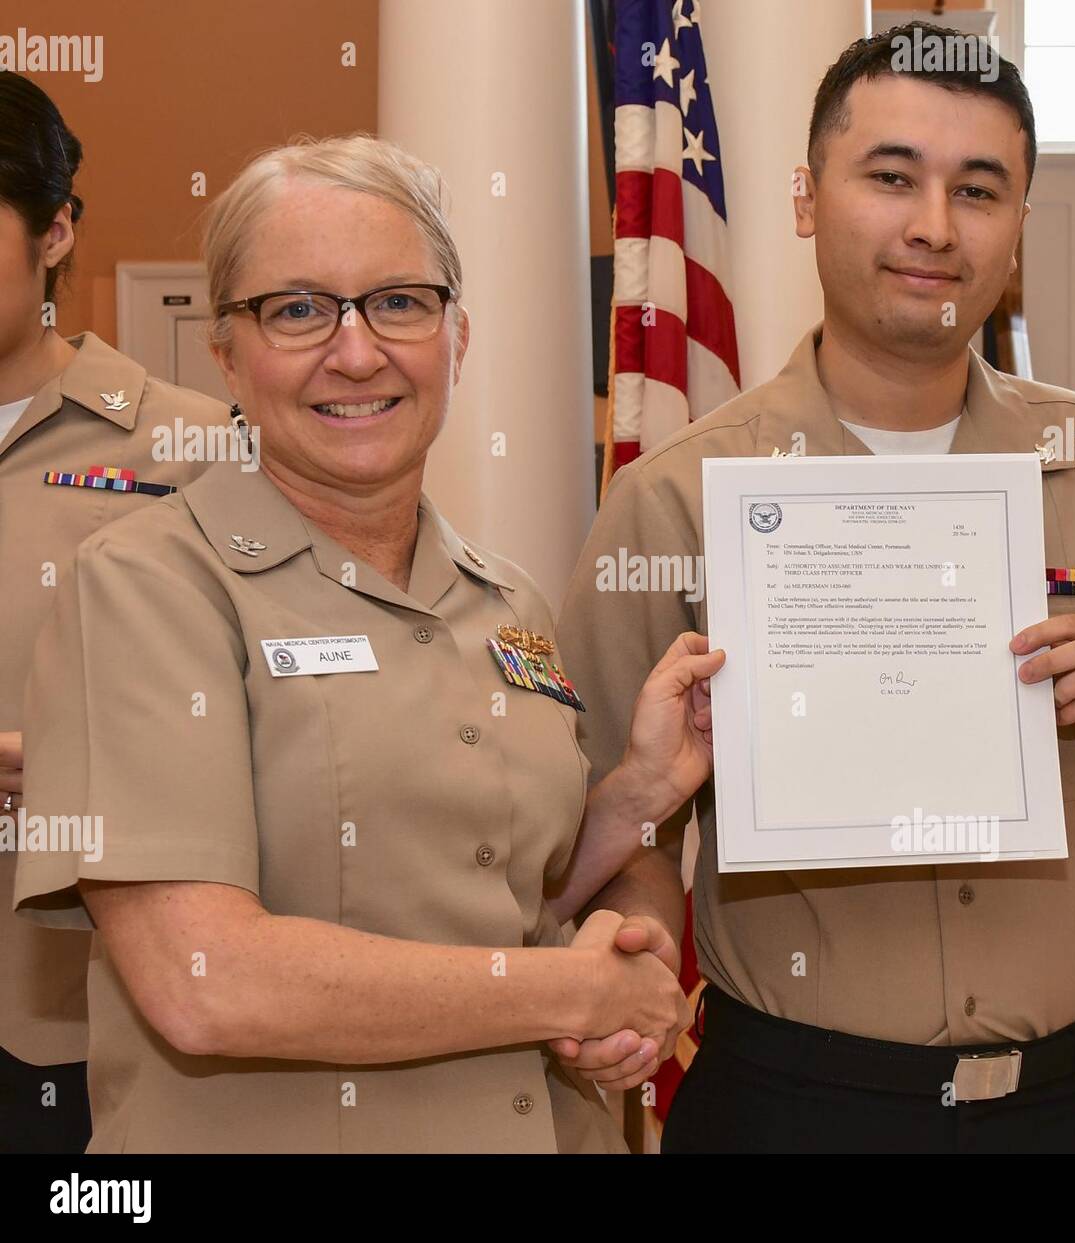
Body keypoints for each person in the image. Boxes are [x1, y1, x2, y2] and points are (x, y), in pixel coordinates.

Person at [555, 25, 1075, 1153]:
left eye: (978, 191)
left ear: (1016, 230)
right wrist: (631, 939)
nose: (933, 225)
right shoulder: (679, 500)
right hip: (795, 1108)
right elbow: (598, 823)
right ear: (806, 196)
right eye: (890, 177)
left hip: (1073, 1104)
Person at [13, 134, 721, 1153]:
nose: (356, 351)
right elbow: (204, 980)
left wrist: (634, 800)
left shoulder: (507, 598)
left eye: (398, 301)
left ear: (457, 337)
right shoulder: (145, 589)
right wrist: (564, 988)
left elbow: (500, 899)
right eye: (297, 309)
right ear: (226, 353)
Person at [0, 71, 228, 1154]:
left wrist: (83, 759)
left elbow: (277, 704)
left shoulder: (189, 444)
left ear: (56, 233)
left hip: (71, 1014)